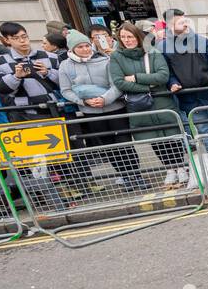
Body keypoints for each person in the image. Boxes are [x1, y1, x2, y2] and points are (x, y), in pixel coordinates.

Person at [58, 29, 147, 191]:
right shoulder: (65, 66)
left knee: (124, 142)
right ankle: (125, 176)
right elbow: (65, 90)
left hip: (115, 108)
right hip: (90, 112)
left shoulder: (105, 60)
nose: (85, 49)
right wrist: (83, 101)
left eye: (87, 46)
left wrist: (105, 99)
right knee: (108, 145)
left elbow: (116, 84)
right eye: (80, 47)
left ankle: (136, 174)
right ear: (72, 49)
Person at [159, 10, 208, 173]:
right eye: (179, 21)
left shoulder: (201, 40)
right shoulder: (163, 47)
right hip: (188, 98)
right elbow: (166, 72)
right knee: (203, 132)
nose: (185, 23)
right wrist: (172, 83)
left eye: (184, 20)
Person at [108, 22, 185, 188]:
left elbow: (163, 76)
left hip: (162, 102)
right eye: (123, 37)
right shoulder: (116, 57)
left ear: (137, 36)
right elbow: (120, 82)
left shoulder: (153, 52)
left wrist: (136, 78)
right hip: (140, 105)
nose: (127, 40)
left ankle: (181, 167)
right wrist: (148, 86)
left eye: (130, 36)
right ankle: (170, 170)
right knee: (155, 139)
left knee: (172, 136)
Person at [0, 22, 60, 121]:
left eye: (24, 36)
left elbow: (67, 81)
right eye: (16, 38)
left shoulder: (51, 56)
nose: (22, 41)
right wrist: (16, 77)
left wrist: (48, 73)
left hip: (57, 109)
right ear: (7, 40)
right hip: (24, 113)